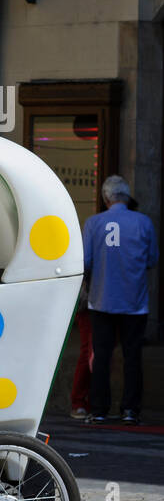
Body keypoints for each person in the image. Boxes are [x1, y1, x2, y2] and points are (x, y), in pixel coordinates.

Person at [82, 176, 158, 425]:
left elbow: (86, 262)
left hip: (101, 299)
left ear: (106, 198)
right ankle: (130, 410)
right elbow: (152, 260)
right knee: (132, 356)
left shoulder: (94, 223)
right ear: (126, 197)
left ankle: (99, 409)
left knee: (101, 355)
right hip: (134, 302)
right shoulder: (144, 222)